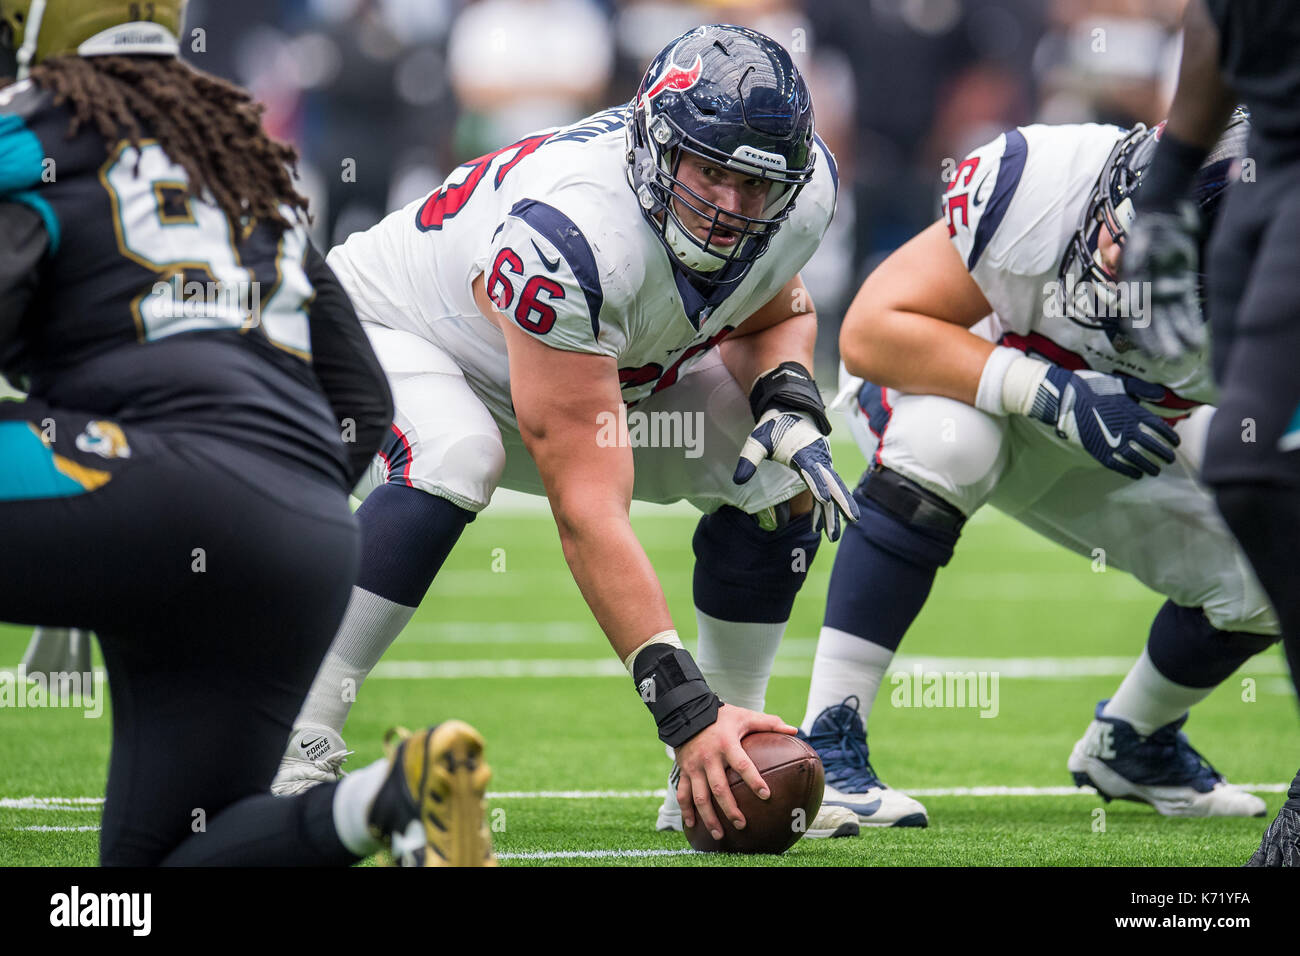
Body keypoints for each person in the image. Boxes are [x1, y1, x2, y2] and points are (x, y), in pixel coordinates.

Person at [272, 24, 861, 842]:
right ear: (656, 146)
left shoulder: (801, 192)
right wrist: (679, 710)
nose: (733, 206)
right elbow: (589, 509)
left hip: (598, 363)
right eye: (712, 172)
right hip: (399, 331)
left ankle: (732, 757)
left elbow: (774, 305)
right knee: (456, 452)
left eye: (756, 185)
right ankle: (297, 731)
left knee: (774, 472)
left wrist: (787, 392)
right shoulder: (576, 234)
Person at [0, 0, 493, 866]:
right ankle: (384, 800)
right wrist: (252, 511)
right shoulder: (243, 160)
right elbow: (362, 397)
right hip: (301, 527)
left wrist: (78, 477)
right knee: (146, 880)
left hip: (145, 488)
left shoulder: (25, 132)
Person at [794, 112, 1278, 829]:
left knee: (1267, 574)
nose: (1115, 268)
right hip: (951, 392)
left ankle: (1132, 742)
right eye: (1122, 234)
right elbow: (872, 331)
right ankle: (829, 742)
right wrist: (1052, 394)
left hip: (1113, 447)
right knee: (951, 442)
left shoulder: (1270, 309)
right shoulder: (1045, 177)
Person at [1117, 0, 1300, 866]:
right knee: (1251, 465)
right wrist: (1163, 188)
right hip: (1270, 169)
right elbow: (1217, 16)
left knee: (1250, 461)